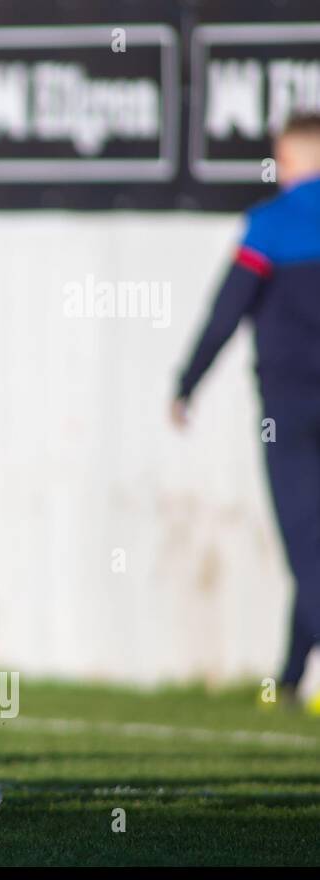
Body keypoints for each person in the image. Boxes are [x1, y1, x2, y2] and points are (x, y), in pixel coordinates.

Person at [174, 112, 320, 713]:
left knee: (306, 544)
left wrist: (187, 383)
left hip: (289, 411)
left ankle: (289, 680)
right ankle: (287, 680)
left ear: (286, 159)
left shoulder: (269, 225)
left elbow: (226, 311)